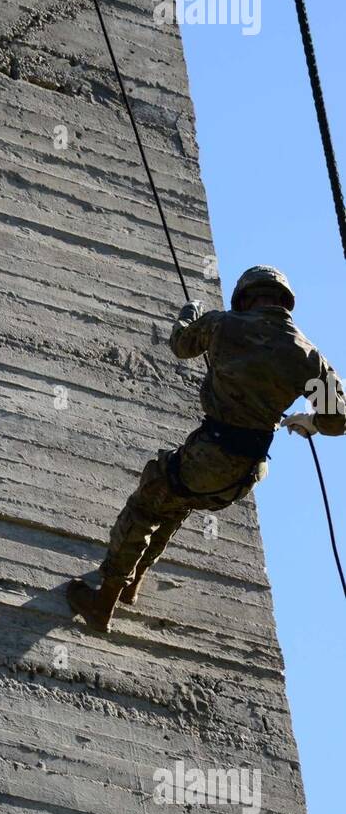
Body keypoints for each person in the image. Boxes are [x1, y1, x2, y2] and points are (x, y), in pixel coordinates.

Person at [67, 265, 346, 632]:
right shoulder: (310, 356)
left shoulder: (224, 324)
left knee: (148, 498)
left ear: (245, 298)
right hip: (248, 471)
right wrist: (307, 421)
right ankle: (132, 584)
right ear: (285, 303)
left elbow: (182, 346)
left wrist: (188, 316)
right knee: (175, 502)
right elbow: (338, 419)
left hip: (213, 451)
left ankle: (103, 601)